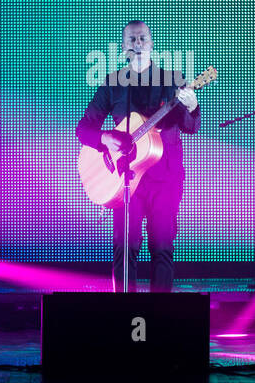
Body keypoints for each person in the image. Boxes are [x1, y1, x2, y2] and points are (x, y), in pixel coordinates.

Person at [76, 21, 199, 292]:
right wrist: (106, 139)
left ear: (152, 43)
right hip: (125, 180)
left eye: (143, 38)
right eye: (132, 39)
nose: (138, 44)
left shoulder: (172, 82)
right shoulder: (113, 84)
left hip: (165, 178)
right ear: (123, 47)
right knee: (125, 248)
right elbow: (84, 129)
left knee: (162, 247)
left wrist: (191, 107)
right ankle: (123, 311)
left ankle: (159, 316)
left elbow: (190, 128)